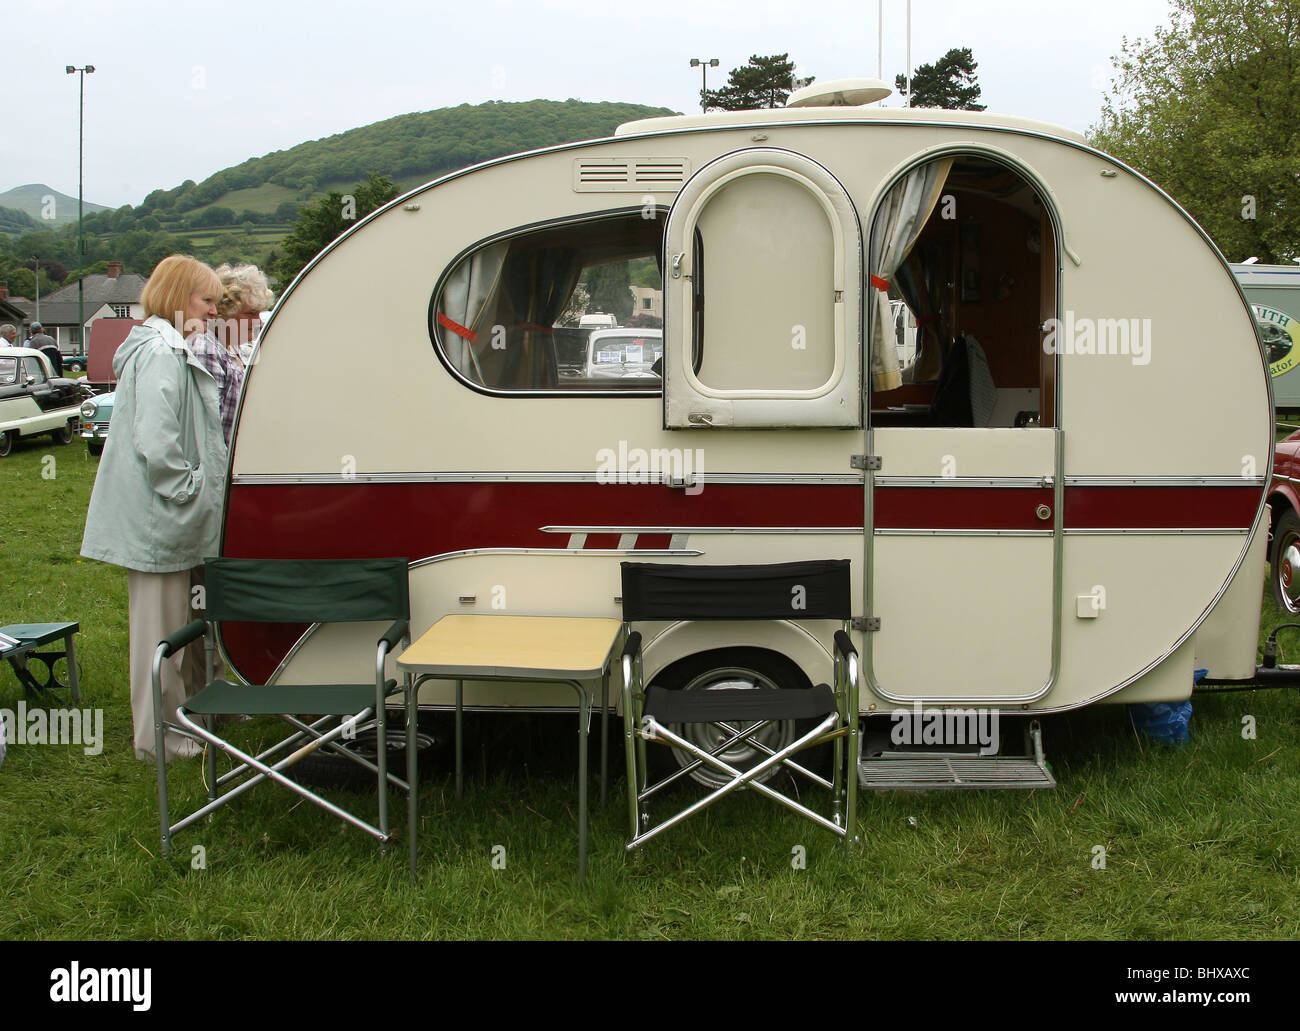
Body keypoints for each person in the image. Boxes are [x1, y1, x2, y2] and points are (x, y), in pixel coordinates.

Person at [81, 255, 226, 762]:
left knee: (184, 624)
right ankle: (162, 739)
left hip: (172, 515)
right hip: (161, 515)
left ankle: (193, 719)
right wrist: (187, 488)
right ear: (177, 295)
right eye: (206, 300)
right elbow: (157, 439)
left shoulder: (164, 345)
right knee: (161, 635)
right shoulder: (162, 350)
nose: (213, 310)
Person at [187, 262, 272, 443]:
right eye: (250, 314)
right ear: (225, 312)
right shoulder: (206, 349)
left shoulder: (232, 348)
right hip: (220, 465)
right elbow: (208, 426)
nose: (259, 322)